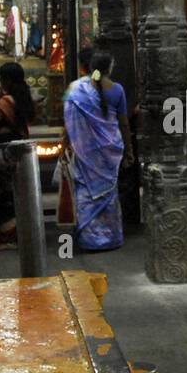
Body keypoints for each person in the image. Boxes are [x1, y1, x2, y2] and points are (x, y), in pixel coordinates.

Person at [63, 51, 134, 251]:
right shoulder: (117, 89)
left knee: (86, 191)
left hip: (84, 151)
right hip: (109, 152)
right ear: (109, 68)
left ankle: (88, 239)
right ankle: (110, 238)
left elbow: (68, 123)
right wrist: (129, 150)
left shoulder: (74, 90)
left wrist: (65, 146)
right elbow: (124, 124)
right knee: (108, 194)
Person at [0, 62, 34, 250]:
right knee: (15, 193)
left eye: (1, 78)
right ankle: (17, 233)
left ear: (8, 80)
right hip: (16, 151)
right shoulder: (22, 98)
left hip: (4, 154)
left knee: (3, 195)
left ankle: (6, 237)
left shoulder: (6, 101)